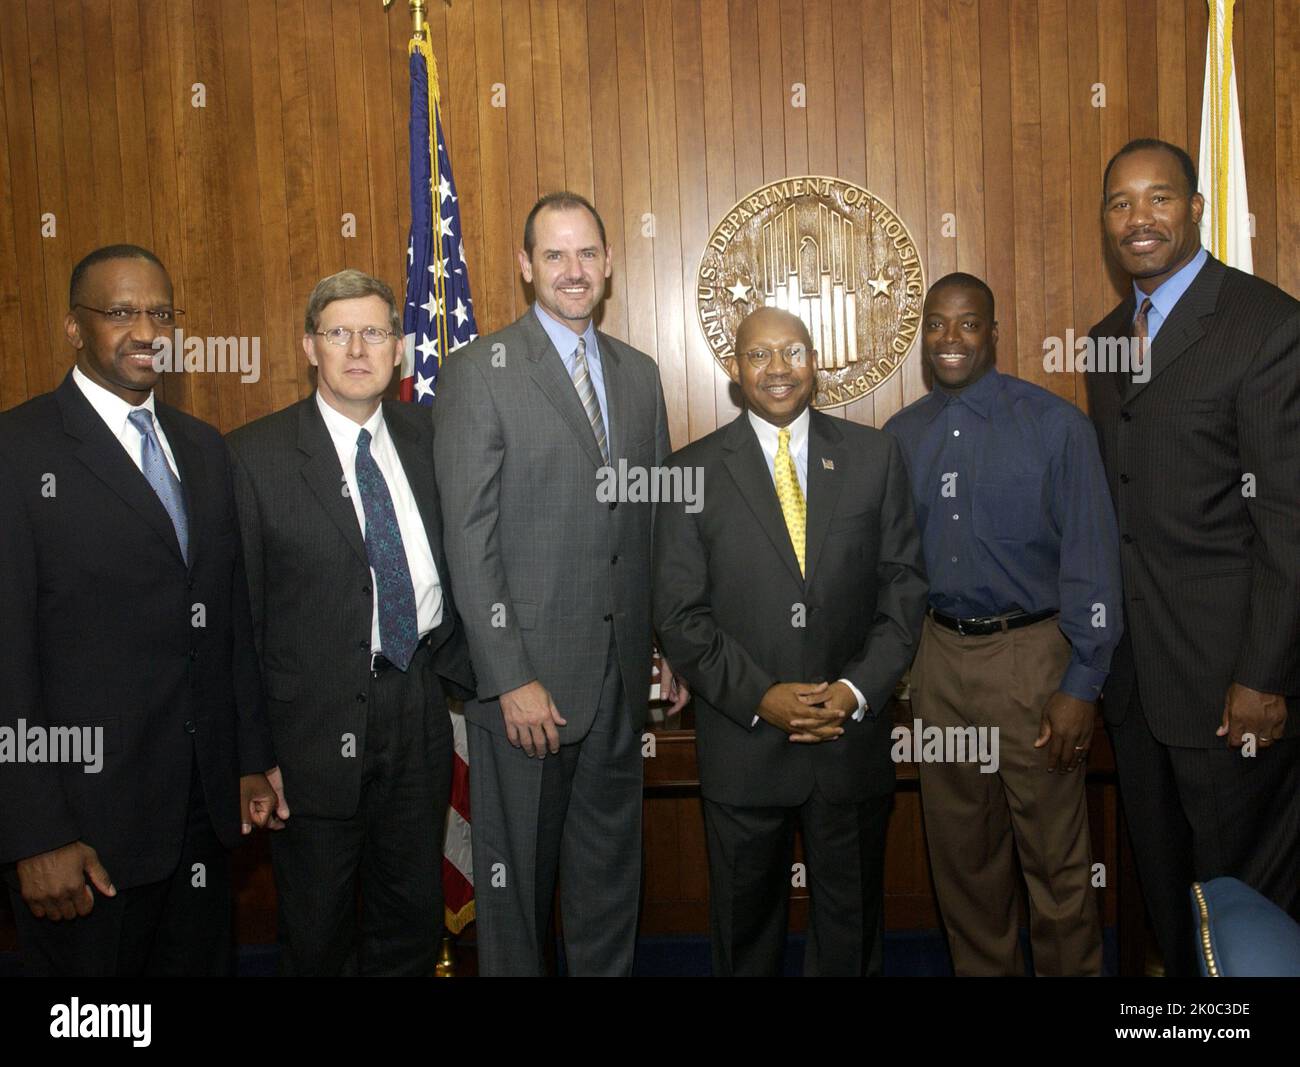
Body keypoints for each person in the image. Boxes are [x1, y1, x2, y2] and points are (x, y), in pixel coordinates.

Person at [0, 244, 278, 976]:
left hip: (199, 820)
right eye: (120, 312)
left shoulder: (205, 449)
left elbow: (229, 622)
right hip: (83, 834)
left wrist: (249, 761)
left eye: (159, 311)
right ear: (73, 327)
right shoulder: (18, 453)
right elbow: (7, 659)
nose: (145, 330)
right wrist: (35, 834)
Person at [433, 192, 687, 976]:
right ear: (525, 266)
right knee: (517, 899)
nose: (572, 271)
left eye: (586, 255)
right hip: (526, 692)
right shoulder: (481, 372)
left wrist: (666, 642)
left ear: (609, 265)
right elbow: (468, 542)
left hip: (617, 680)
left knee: (608, 885)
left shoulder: (639, 375)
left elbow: (655, 521)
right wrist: (511, 678)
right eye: (554, 255)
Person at [653, 306, 926, 976]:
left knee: (851, 933)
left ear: (814, 362)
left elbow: (904, 589)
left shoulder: (874, 455)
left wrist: (856, 690)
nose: (777, 369)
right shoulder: (687, 473)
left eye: (793, 351)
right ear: (733, 370)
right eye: (758, 355)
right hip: (745, 747)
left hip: (849, 742)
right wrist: (761, 696)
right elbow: (679, 616)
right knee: (745, 938)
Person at [1085, 139, 1300, 975]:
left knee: (1245, 908)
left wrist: (1265, 675)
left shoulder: (1266, 324)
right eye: (1120, 204)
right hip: (1137, 684)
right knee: (1171, 899)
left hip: (1231, 687)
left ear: (1197, 208)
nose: (1140, 219)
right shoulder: (1107, 340)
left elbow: (1288, 520)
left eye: (1159, 198)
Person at [225, 269, 475, 975]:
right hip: (308, 728)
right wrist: (252, 755)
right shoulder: (253, 456)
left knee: (411, 919)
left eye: (374, 332)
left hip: (418, 704)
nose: (358, 348)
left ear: (399, 349)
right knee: (317, 930)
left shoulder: (433, 438)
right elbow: (236, 626)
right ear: (310, 346)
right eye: (339, 333)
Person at [883, 273, 1122, 976]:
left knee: (1055, 864)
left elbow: (1093, 562)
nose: (949, 339)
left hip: (1034, 661)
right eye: (936, 325)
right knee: (965, 866)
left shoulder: (1056, 428)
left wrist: (1083, 680)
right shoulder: (901, 436)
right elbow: (893, 569)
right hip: (941, 662)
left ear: (994, 332)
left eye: (967, 324)